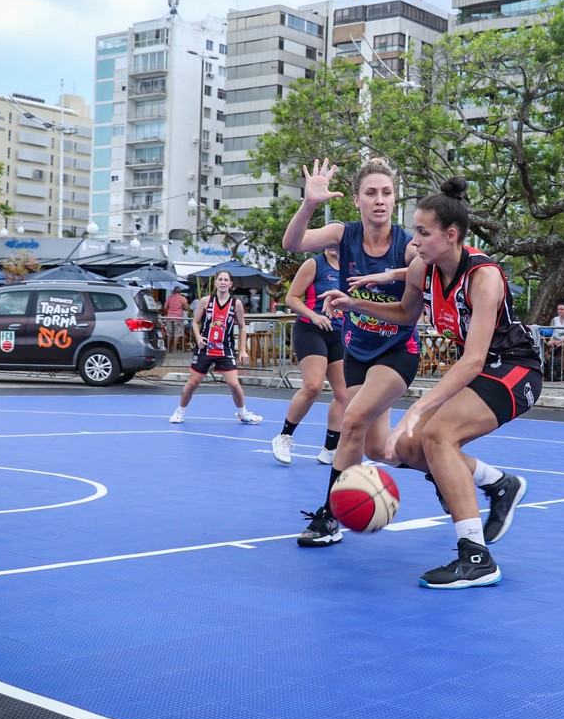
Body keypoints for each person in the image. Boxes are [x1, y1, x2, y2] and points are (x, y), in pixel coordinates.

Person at [282, 159, 518, 549]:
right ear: (356, 199)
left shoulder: (413, 245)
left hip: (397, 351)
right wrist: (308, 204)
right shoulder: (343, 234)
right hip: (357, 350)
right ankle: (480, 478)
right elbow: (293, 244)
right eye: (371, 193)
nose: (379, 201)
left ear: (395, 199)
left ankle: (330, 515)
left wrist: (364, 296)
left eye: (387, 193)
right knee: (377, 448)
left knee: (351, 418)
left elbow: (415, 298)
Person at [322, 176, 539, 589]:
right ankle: (498, 482)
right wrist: (355, 302)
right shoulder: (424, 266)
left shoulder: (484, 277)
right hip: (481, 368)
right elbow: (406, 313)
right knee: (403, 447)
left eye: (423, 232)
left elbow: (475, 359)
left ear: (451, 235)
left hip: (514, 367)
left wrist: (419, 407)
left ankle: (476, 556)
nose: (415, 240)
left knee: (436, 435)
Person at [271, 247, 350, 466]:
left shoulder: (352, 266)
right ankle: (284, 436)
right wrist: (314, 316)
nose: (334, 246)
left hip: (338, 333)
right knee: (313, 386)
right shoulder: (314, 264)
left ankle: (330, 449)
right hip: (311, 330)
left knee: (344, 394)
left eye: (338, 241)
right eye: (330, 241)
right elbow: (291, 298)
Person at [168, 270, 263, 426]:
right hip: (205, 348)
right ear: (216, 282)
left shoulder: (236, 304)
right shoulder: (206, 301)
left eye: (226, 280)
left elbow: (242, 327)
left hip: (225, 349)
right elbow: (195, 322)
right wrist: (198, 338)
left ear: (231, 284)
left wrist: (243, 350)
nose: (223, 282)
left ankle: (244, 413)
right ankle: (180, 411)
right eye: (220, 279)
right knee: (192, 384)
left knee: (234, 384)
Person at [543, 302, 564, 379]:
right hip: (555, 340)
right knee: (547, 348)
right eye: (559, 309)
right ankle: (548, 371)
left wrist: (561, 342)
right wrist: (552, 341)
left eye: (562, 309)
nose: (560, 311)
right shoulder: (554, 320)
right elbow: (551, 333)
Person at [163, 286, 189, 352]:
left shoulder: (169, 298)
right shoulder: (182, 298)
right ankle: (174, 349)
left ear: (174, 291)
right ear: (180, 292)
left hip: (169, 317)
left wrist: (166, 314)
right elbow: (186, 308)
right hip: (178, 318)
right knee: (176, 334)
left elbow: (165, 307)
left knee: (169, 334)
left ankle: (168, 349)